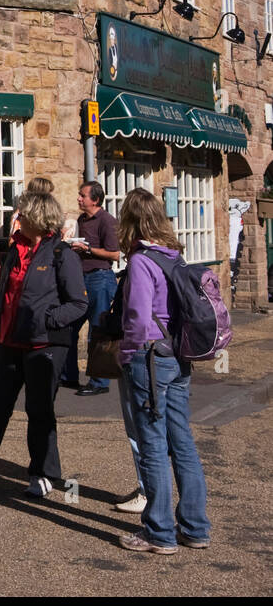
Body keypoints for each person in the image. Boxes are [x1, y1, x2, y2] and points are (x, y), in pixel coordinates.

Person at [0, 189, 88, 496]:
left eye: (21, 214)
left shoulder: (62, 255)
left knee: (39, 411)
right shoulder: (14, 251)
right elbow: (3, 298)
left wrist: (47, 319)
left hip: (44, 346)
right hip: (9, 343)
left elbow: (78, 304)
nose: (17, 218)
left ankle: (43, 474)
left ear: (37, 217)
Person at [115, 188, 211, 554]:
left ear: (132, 220)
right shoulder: (173, 255)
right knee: (182, 441)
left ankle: (159, 532)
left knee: (153, 445)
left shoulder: (141, 260)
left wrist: (126, 355)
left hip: (149, 357)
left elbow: (138, 316)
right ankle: (195, 527)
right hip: (177, 355)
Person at [66, 181, 118, 396]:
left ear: (95, 200)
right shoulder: (81, 219)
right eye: (79, 195)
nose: (79, 198)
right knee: (68, 328)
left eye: (83, 196)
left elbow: (115, 254)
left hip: (100, 279)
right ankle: (67, 376)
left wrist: (88, 249)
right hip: (81, 280)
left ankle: (99, 382)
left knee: (97, 332)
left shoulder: (107, 221)